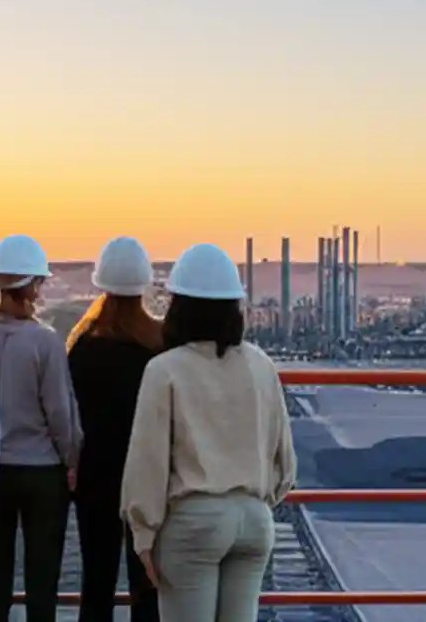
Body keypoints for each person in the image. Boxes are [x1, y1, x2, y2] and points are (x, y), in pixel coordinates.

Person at [121, 243, 297, 622]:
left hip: (194, 522)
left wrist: (144, 533)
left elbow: (147, 462)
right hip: (254, 520)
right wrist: (255, 500)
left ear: (178, 307)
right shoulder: (261, 365)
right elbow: (285, 462)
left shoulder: (164, 370)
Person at [0, 234, 82, 622]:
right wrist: (72, 460)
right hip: (42, 473)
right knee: (42, 583)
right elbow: (60, 413)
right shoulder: (46, 342)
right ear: (34, 286)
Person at [67, 237, 162, 622]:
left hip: (96, 477)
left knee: (97, 580)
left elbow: (70, 416)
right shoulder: (159, 348)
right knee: (148, 582)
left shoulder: (82, 345)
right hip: (147, 476)